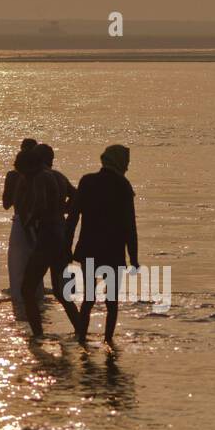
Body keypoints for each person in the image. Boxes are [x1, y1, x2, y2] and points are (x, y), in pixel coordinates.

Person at [67, 144, 138, 343]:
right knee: (112, 301)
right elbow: (130, 225)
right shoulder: (123, 186)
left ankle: (81, 337)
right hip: (113, 250)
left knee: (88, 298)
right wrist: (134, 257)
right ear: (120, 162)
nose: (128, 167)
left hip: (89, 247)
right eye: (127, 162)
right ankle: (108, 340)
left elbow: (73, 217)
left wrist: (67, 246)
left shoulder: (87, 181)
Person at [15, 144, 83, 339]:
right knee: (62, 292)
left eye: (24, 174)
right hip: (60, 237)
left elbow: (40, 205)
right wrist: (64, 210)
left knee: (27, 289)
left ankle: (37, 336)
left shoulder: (39, 178)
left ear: (30, 167)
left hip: (47, 237)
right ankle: (80, 331)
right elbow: (76, 196)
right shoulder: (59, 176)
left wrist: (28, 222)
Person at [2, 138, 44, 319]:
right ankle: (36, 308)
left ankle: (23, 309)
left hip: (21, 224)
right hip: (37, 224)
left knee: (19, 268)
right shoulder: (44, 175)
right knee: (35, 268)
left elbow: (6, 203)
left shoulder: (14, 176)